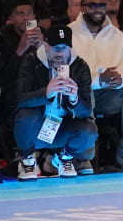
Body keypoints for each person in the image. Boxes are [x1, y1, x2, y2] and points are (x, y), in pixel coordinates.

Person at [69, 0, 123, 171]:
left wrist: (119, 78)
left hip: (110, 93)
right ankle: (82, 158)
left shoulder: (116, 34)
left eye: (101, 5)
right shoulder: (70, 33)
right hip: (80, 95)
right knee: (85, 91)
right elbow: (69, 74)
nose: (98, 9)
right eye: (92, 5)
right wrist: (99, 79)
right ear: (83, 9)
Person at [13, 26, 96, 181]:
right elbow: (20, 99)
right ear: (45, 45)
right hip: (37, 128)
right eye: (54, 47)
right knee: (24, 116)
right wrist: (46, 94)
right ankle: (27, 160)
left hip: (63, 127)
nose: (59, 53)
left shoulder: (80, 66)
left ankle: (65, 157)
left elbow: (86, 111)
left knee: (89, 130)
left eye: (63, 48)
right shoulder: (32, 61)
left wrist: (74, 100)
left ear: (70, 48)